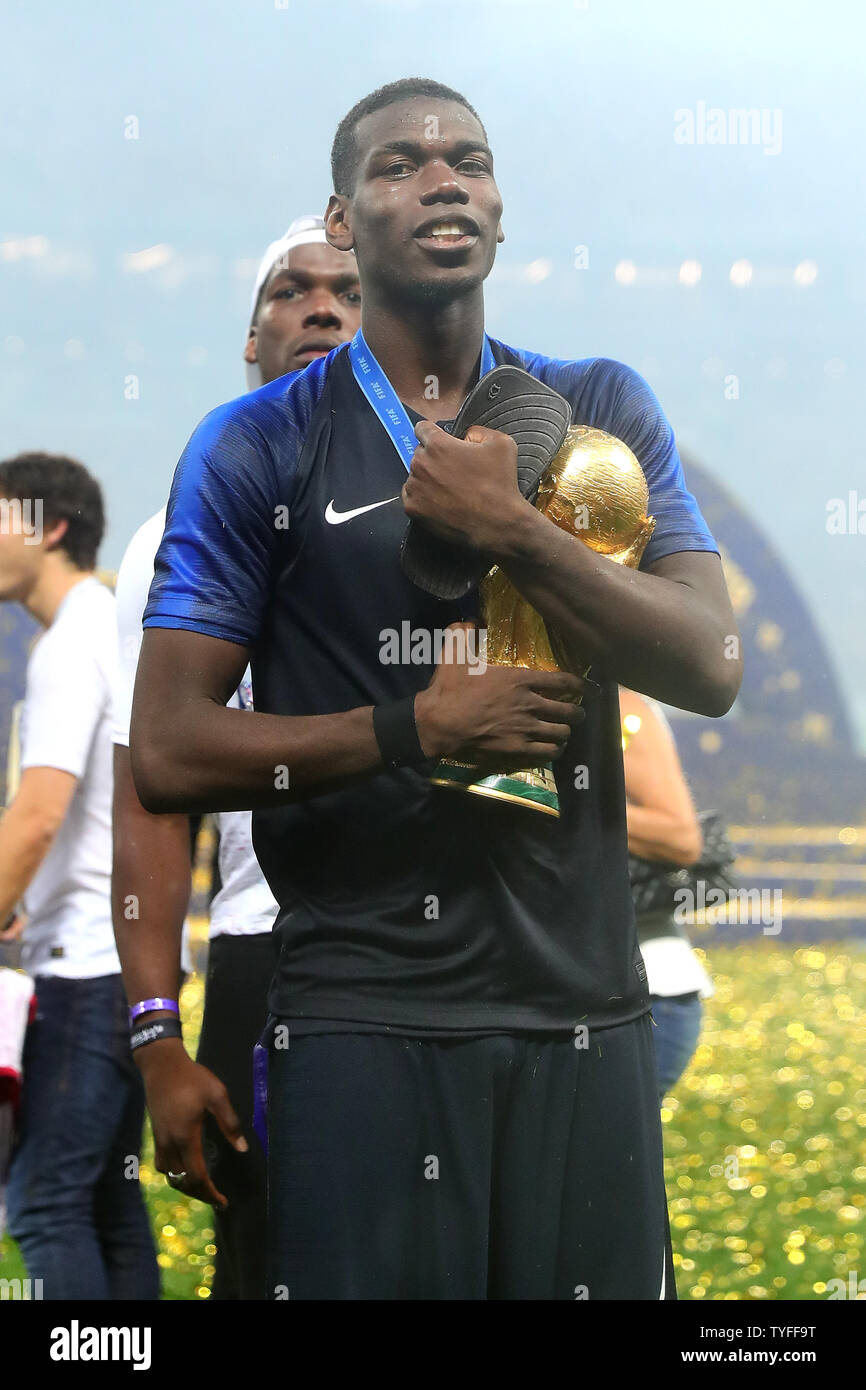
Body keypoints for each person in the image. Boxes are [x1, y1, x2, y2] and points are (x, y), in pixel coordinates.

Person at [130, 77, 742, 1300]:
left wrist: (515, 529)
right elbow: (168, 750)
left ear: (499, 212)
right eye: (399, 164)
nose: (441, 177)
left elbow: (706, 663)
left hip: (585, 1001)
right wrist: (413, 727)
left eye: (467, 159)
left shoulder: (600, 404)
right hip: (361, 1011)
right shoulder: (256, 444)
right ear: (342, 222)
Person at [112, 217, 361, 1299]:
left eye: (348, 291)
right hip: (272, 958)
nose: (319, 307)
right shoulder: (179, 528)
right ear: (249, 342)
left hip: (460, 960)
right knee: (272, 1271)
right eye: (287, 291)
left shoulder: (466, 507)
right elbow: (152, 795)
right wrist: (156, 1033)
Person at [0, 452, 158, 1300]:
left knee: (43, 1202)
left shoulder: (66, 645)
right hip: (126, 967)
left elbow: (37, 814)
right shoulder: (108, 625)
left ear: (50, 527)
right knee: (105, 1202)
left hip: (84, 970)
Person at [620, 687, 714, 1101]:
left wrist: (564, 799)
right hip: (589, 998)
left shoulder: (619, 707)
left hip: (647, 1000)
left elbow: (681, 836)